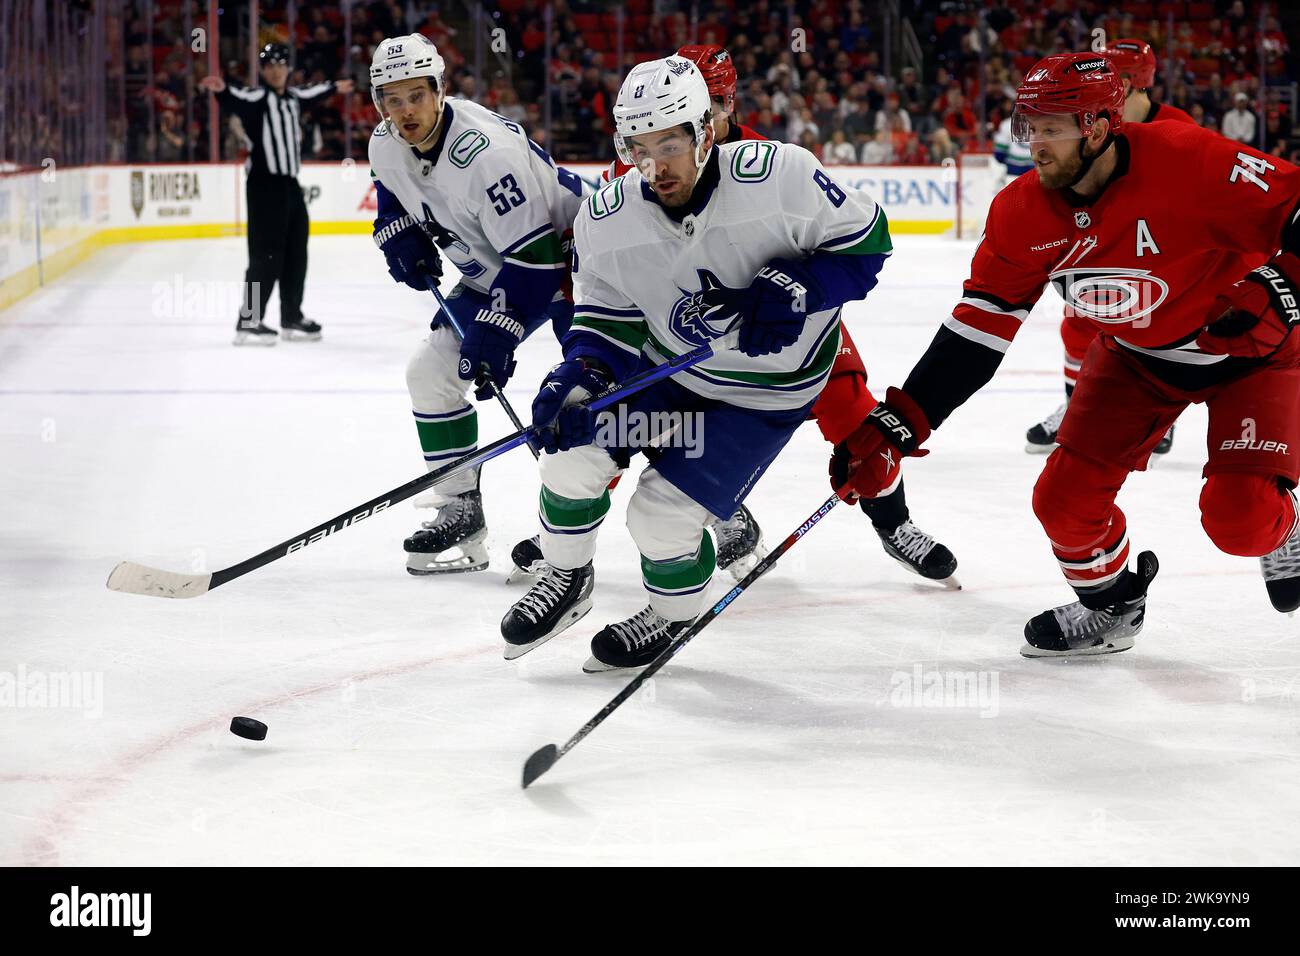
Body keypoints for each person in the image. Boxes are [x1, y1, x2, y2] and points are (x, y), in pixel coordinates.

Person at [832, 53, 1300, 659]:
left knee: (1241, 521)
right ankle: (1114, 607)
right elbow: (977, 331)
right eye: (1029, 126)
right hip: (1136, 359)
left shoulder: (1188, 158)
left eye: (1051, 128)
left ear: (1099, 127)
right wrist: (903, 419)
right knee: (1062, 503)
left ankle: (1285, 524)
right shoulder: (1020, 213)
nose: (1035, 144)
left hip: (1251, 352)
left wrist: (1284, 285)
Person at [499, 56, 928, 673]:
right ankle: (566, 576)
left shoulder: (779, 176)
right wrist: (583, 372)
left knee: (660, 516)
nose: (655, 166)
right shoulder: (608, 216)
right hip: (671, 374)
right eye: (639, 148)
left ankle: (673, 613)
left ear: (705, 132)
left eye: (670, 144)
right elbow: (606, 318)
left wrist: (801, 286)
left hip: (762, 396)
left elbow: (868, 242)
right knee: (570, 458)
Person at [601, 43, 958, 589]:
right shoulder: (638, 171)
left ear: (727, 104)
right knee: (647, 414)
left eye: (714, 104)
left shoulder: (766, 163)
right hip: (688, 329)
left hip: (790, 326)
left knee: (855, 419)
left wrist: (796, 289)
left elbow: (846, 242)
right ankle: (694, 513)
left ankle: (894, 522)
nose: (707, 116)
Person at [366, 34, 588, 575]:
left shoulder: (486, 155)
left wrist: (498, 330)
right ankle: (459, 506)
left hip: (573, 263)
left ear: (439, 90)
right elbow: (391, 186)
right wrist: (395, 228)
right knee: (431, 372)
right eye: (392, 99)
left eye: (416, 96)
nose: (405, 111)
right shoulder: (385, 142)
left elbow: (537, 256)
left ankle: (717, 515)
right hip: (499, 268)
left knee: (586, 397)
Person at [1024, 39, 1195, 454]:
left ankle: (1162, 415)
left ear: (1132, 83)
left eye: (1114, 79)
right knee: (1077, 328)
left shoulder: (1177, 127)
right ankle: (1075, 408)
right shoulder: (1093, 125)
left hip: (1162, 252)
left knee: (1165, 333)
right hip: (1103, 244)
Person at [199, 43, 353, 345]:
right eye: (269, 66)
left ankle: (291, 316)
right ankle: (249, 320)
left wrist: (335, 87)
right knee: (265, 255)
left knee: (296, 252)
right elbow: (236, 97)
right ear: (262, 70)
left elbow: (313, 93)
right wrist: (221, 90)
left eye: (280, 64)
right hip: (264, 186)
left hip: (290, 185)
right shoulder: (258, 98)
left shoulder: (293, 98)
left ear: (288, 68)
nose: (275, 70)